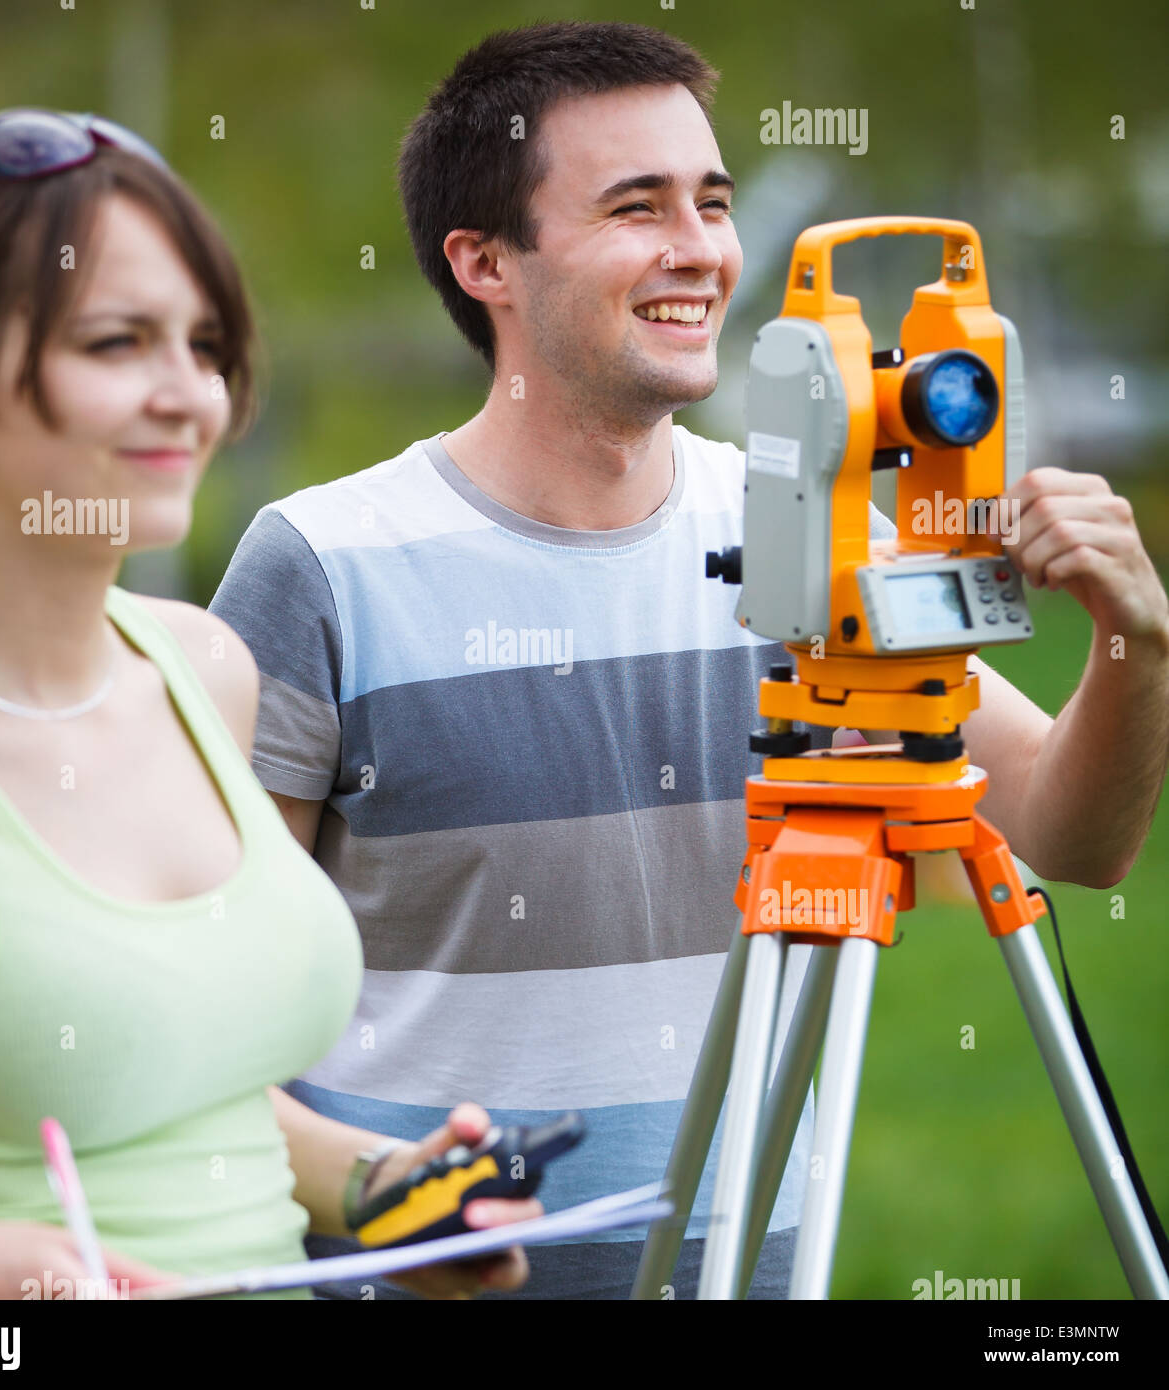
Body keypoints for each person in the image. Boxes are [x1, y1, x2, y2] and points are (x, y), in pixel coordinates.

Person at [209, 22, 1169, 1300]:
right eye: (636, 206)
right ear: (484, 259)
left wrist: (1133, 639)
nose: (702, 248)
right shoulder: (320, 564)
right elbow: (207, 1014)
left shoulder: (802, 535)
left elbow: (1071, 830)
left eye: (710, 201)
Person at [0, 109, 537, 1300]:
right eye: (120, 343)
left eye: (206, 345)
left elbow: (188, 1091)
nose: (190, 395)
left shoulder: (206, 669)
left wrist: (387, 1191)